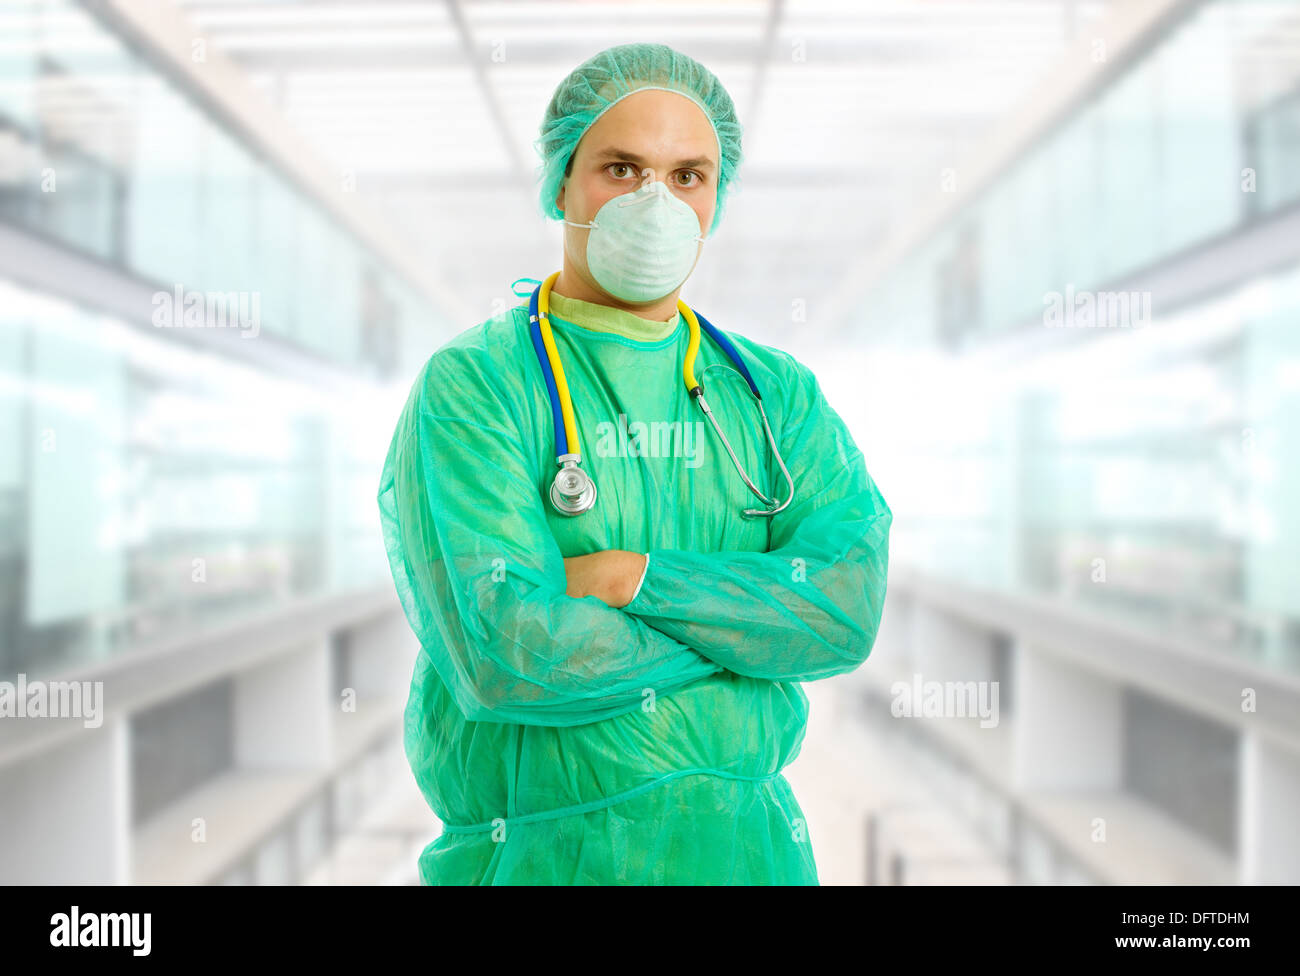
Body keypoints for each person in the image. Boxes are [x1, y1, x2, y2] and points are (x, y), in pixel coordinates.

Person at [377, 42, 891, 885]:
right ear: (561, 186)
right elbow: (506, 651)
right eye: (622, 169)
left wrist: (631, 578)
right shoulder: (477, 386)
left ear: (716, 199)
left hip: (748, 857)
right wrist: (749, 636)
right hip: (533, 858)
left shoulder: (770, 394)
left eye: (688, 176)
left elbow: (843, 610)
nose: (657, 202)